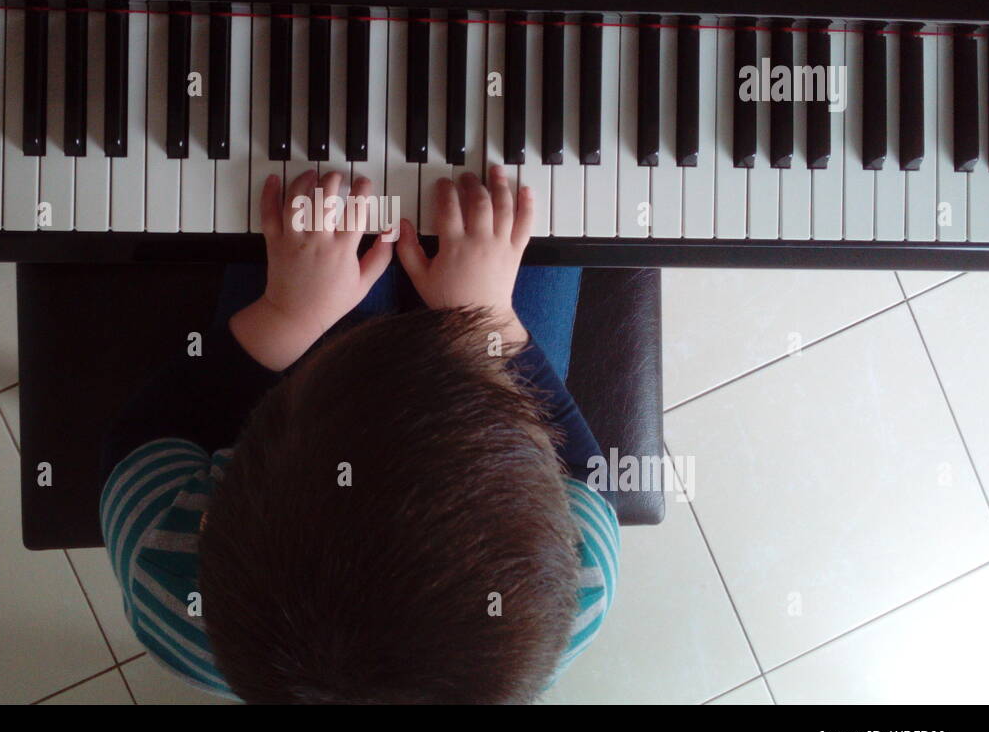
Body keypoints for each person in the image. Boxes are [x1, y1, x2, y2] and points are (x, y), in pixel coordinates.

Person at [100, 166, 619, 703]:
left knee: (307, 195)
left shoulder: (170, 587)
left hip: (288, 356)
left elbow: (143, 437)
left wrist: (285, 316)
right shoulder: (571, 596)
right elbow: (584, 474)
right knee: (538, 182)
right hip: (490, 371)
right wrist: (488, 325)